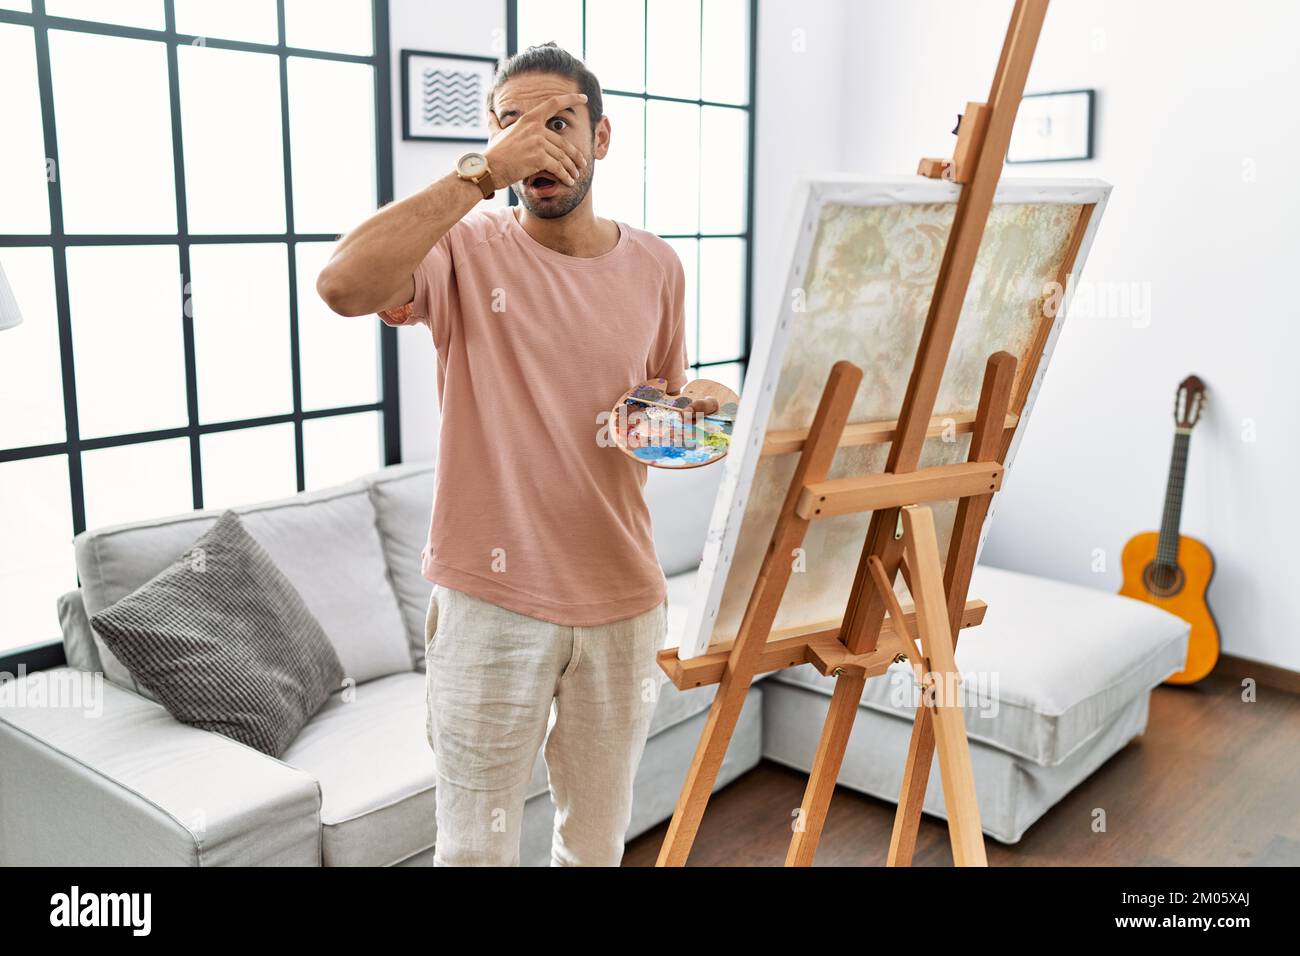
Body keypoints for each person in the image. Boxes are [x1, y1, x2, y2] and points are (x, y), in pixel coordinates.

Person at [316, 42, 709, 866]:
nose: (539, 143)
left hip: (626, 606)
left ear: (601, 138)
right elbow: (342, 285)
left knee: (595, 846)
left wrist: (715, 414)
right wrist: (475, 175)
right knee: (472, 851)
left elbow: (661, 423)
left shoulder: (659, 267)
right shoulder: (464, 249)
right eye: (514, 124)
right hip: (489, 603)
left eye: (558, 121)